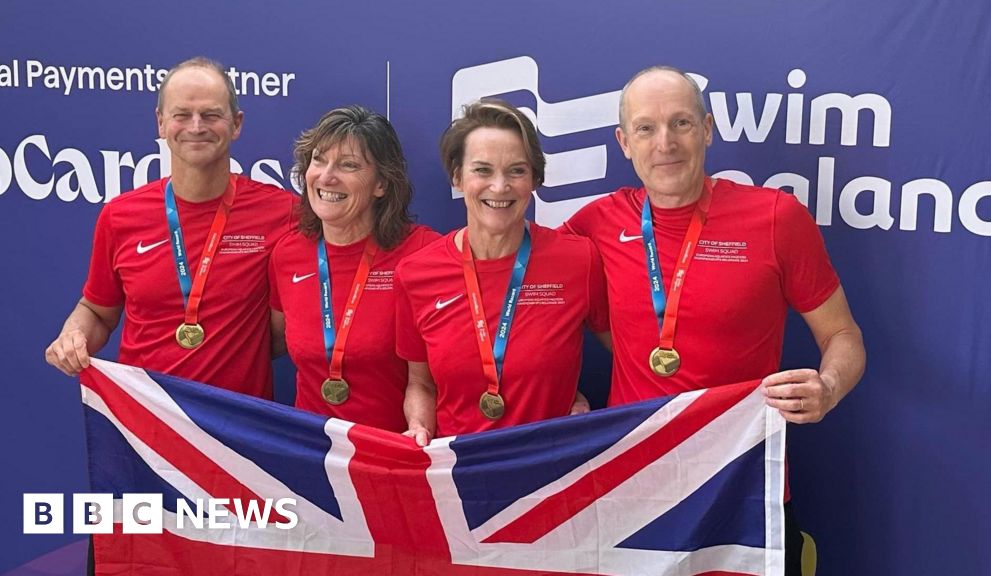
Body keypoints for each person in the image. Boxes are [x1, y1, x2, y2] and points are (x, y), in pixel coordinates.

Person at [563, 66, 866, 574]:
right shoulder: (595, 225)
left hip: (744, 483)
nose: (666, 143)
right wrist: (561, 390)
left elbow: (843, 335)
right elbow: (527, 300)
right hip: (636, 488)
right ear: (624, 142)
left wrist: (829, 387)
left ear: (707, 129)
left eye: (681, 123)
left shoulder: (776, 218)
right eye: (646, 128)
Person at [44, 57, 297, 399]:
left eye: (211, 115)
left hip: (234, 432)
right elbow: (97, 312)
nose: (196, 126)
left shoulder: (283, 213)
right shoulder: (120, 215)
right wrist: (73, 335)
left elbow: (287, 330)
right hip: (144, 424)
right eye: (181, 115)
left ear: (236, 124)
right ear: (161, 123)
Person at [398, 99, 610, 445]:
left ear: (534, 179)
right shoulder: (416, 273)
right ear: (457, 176)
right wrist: (419, 426)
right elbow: (420, 383)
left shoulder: (578, 260)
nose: (499, 186)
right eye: (482, 170)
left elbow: (629, 353)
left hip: (551, 470)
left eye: (516, 170)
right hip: (458, 474)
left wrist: (572, 396)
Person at [269, 105, 439, 430]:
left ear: (381, 184)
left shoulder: (424, 254)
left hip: (396, 452)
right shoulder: (288, 254)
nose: (327, 176)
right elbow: (270, 342)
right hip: (313, 454)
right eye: (318, 160)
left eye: (348, 165)